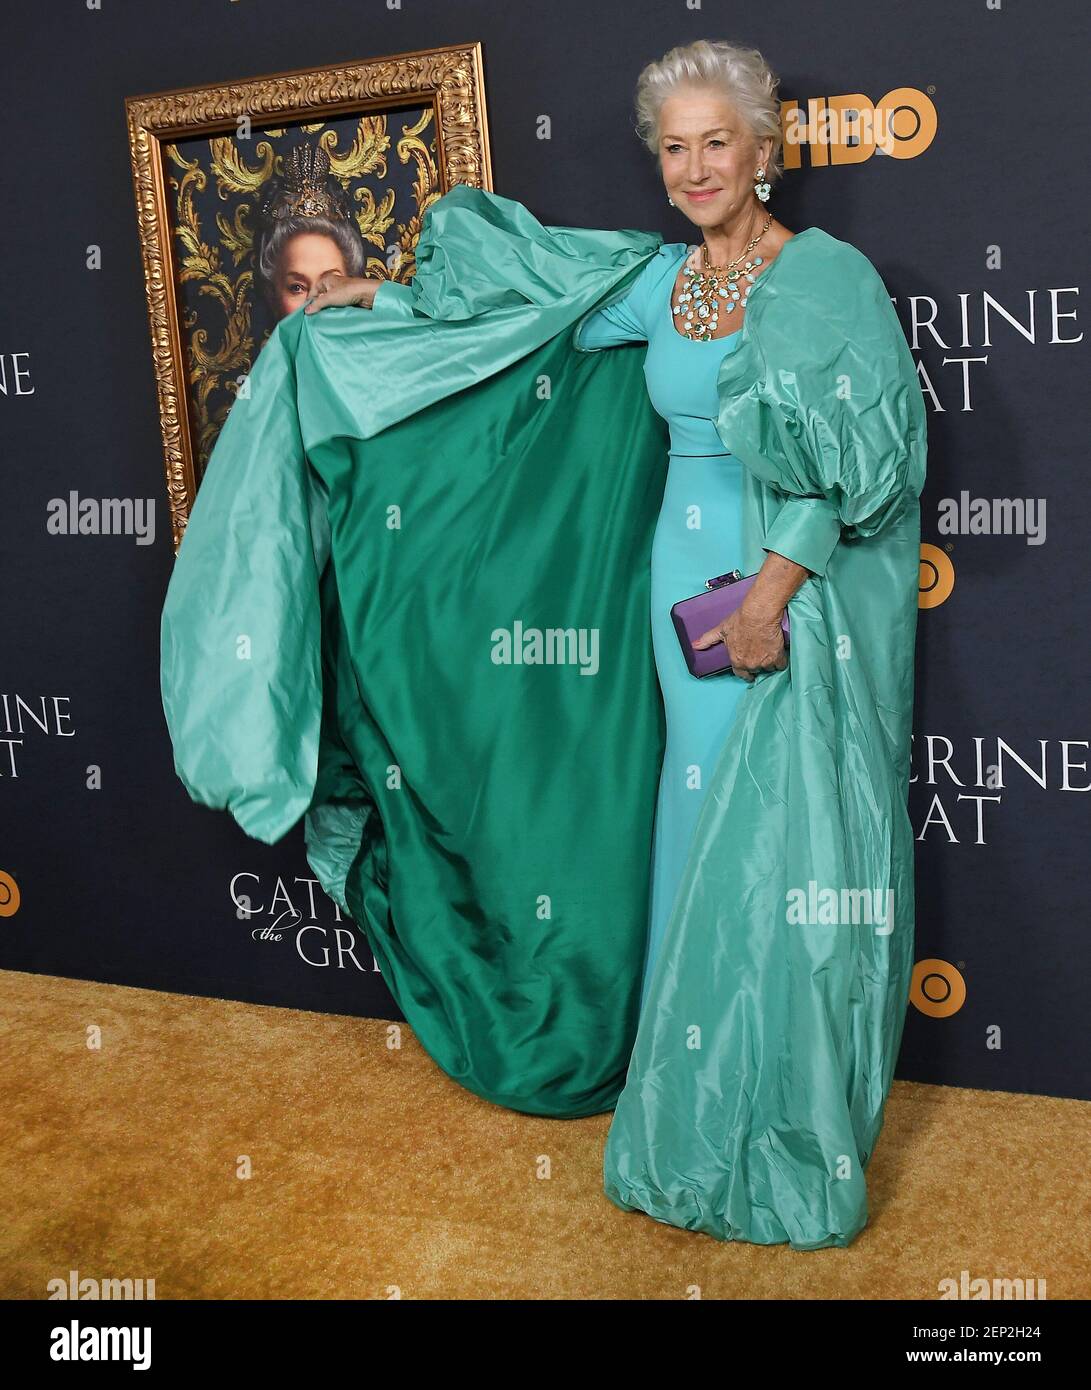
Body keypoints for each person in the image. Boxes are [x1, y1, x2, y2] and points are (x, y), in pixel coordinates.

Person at [164, 40, 926, 1248]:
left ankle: (773, 1133)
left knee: (770, 851)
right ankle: (687, 1115)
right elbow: (522, 328)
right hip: (676, 604)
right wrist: (380, 309)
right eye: (670, 146)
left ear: (763, 151)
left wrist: (772, 596)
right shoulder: (663, 284)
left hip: (774, 602)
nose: (691, 166)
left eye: (713, 141)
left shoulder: (821, 279)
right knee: (689, 840)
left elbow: (850, 471)